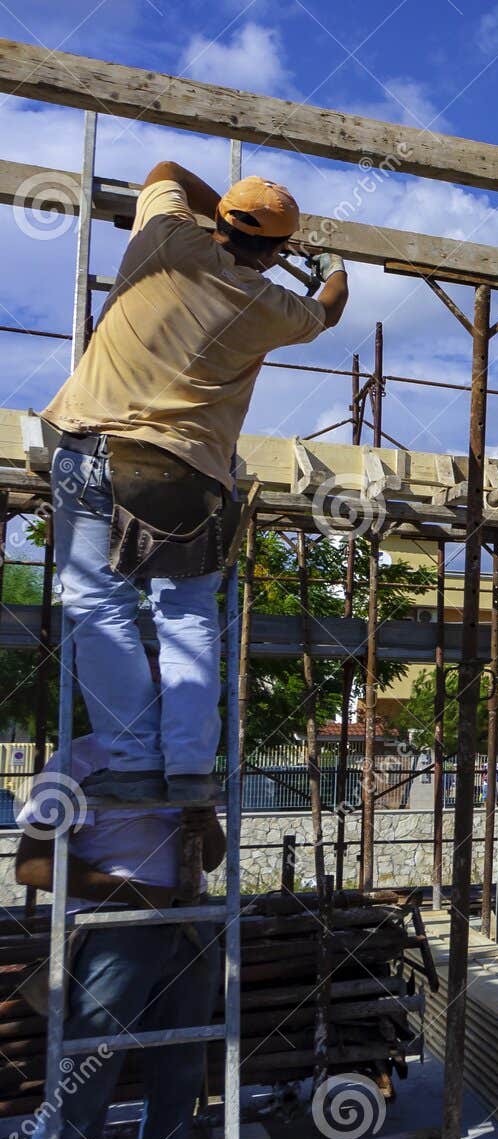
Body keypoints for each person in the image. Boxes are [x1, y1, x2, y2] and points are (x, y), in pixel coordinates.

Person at [41, 162, 350, 806]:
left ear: (220, 223)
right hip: (191, 472)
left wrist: (218, 210)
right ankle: (187, 768)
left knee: (98, 604)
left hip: (94, 442)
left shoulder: (166, 239)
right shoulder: (270, 305)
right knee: (185, 615)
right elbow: (329, 311)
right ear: (276, 251)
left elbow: (162, 170)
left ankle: (130, 762)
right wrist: (331, 264)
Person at [0, 733, 226, 1139]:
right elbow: (31, 865)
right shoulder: (76, 760)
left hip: (190, 930)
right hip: (113, 934)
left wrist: (207, 827)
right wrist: (131, 893)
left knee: (178, 1078)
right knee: (81, 1088)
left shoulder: (185, 756)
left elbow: (212, 858)